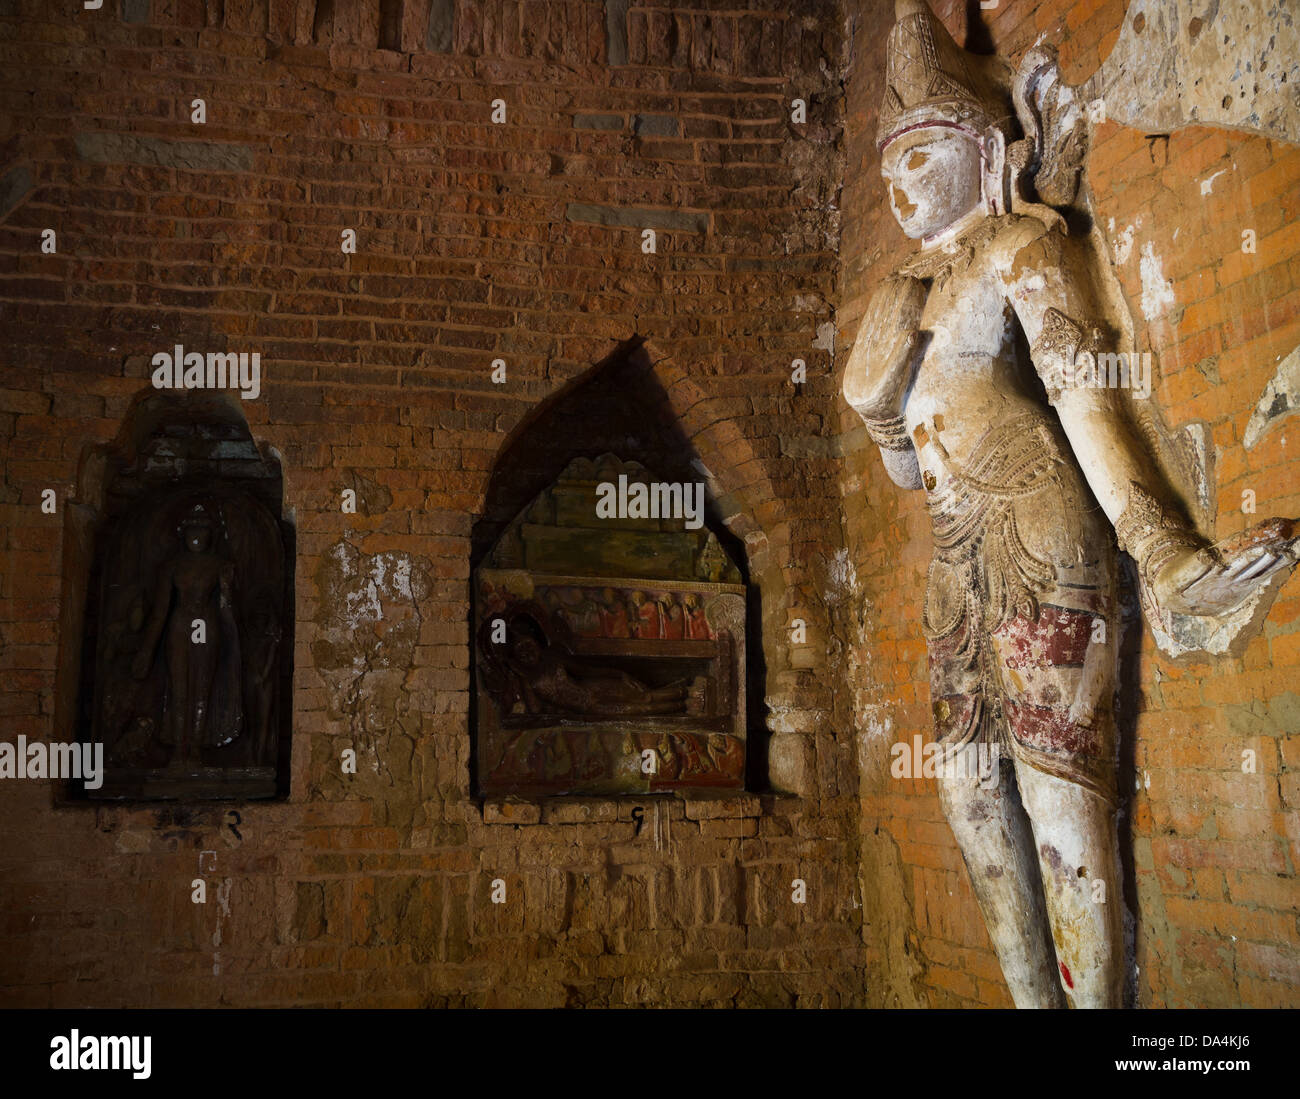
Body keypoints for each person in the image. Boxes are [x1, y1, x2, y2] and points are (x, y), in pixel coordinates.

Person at [844, 0, 1298, 1007]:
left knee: (1061, 815)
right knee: (968, 805)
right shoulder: (899, 297)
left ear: (980, 149)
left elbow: (1087, 406)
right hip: (952, 557)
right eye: (885, 173)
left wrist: (1167, 552)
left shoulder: (1019, 248)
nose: (898, 190)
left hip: (1042, 532)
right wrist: (878, 415)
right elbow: (910, 476)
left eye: (919, 159)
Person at [131, 501, 242, 768]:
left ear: (211, 535)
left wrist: (227, 587)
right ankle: (179, 750)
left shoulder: (218, 565)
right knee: (179, 689)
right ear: (183, 533)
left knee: (203, 689)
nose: (197, 537)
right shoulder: (173, 566)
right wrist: (146, 650)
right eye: (192, 530)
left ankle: (196, 749)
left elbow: (226, 607)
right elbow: (160, 611)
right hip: (180, 626)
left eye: (203, 531)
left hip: (207, 622)